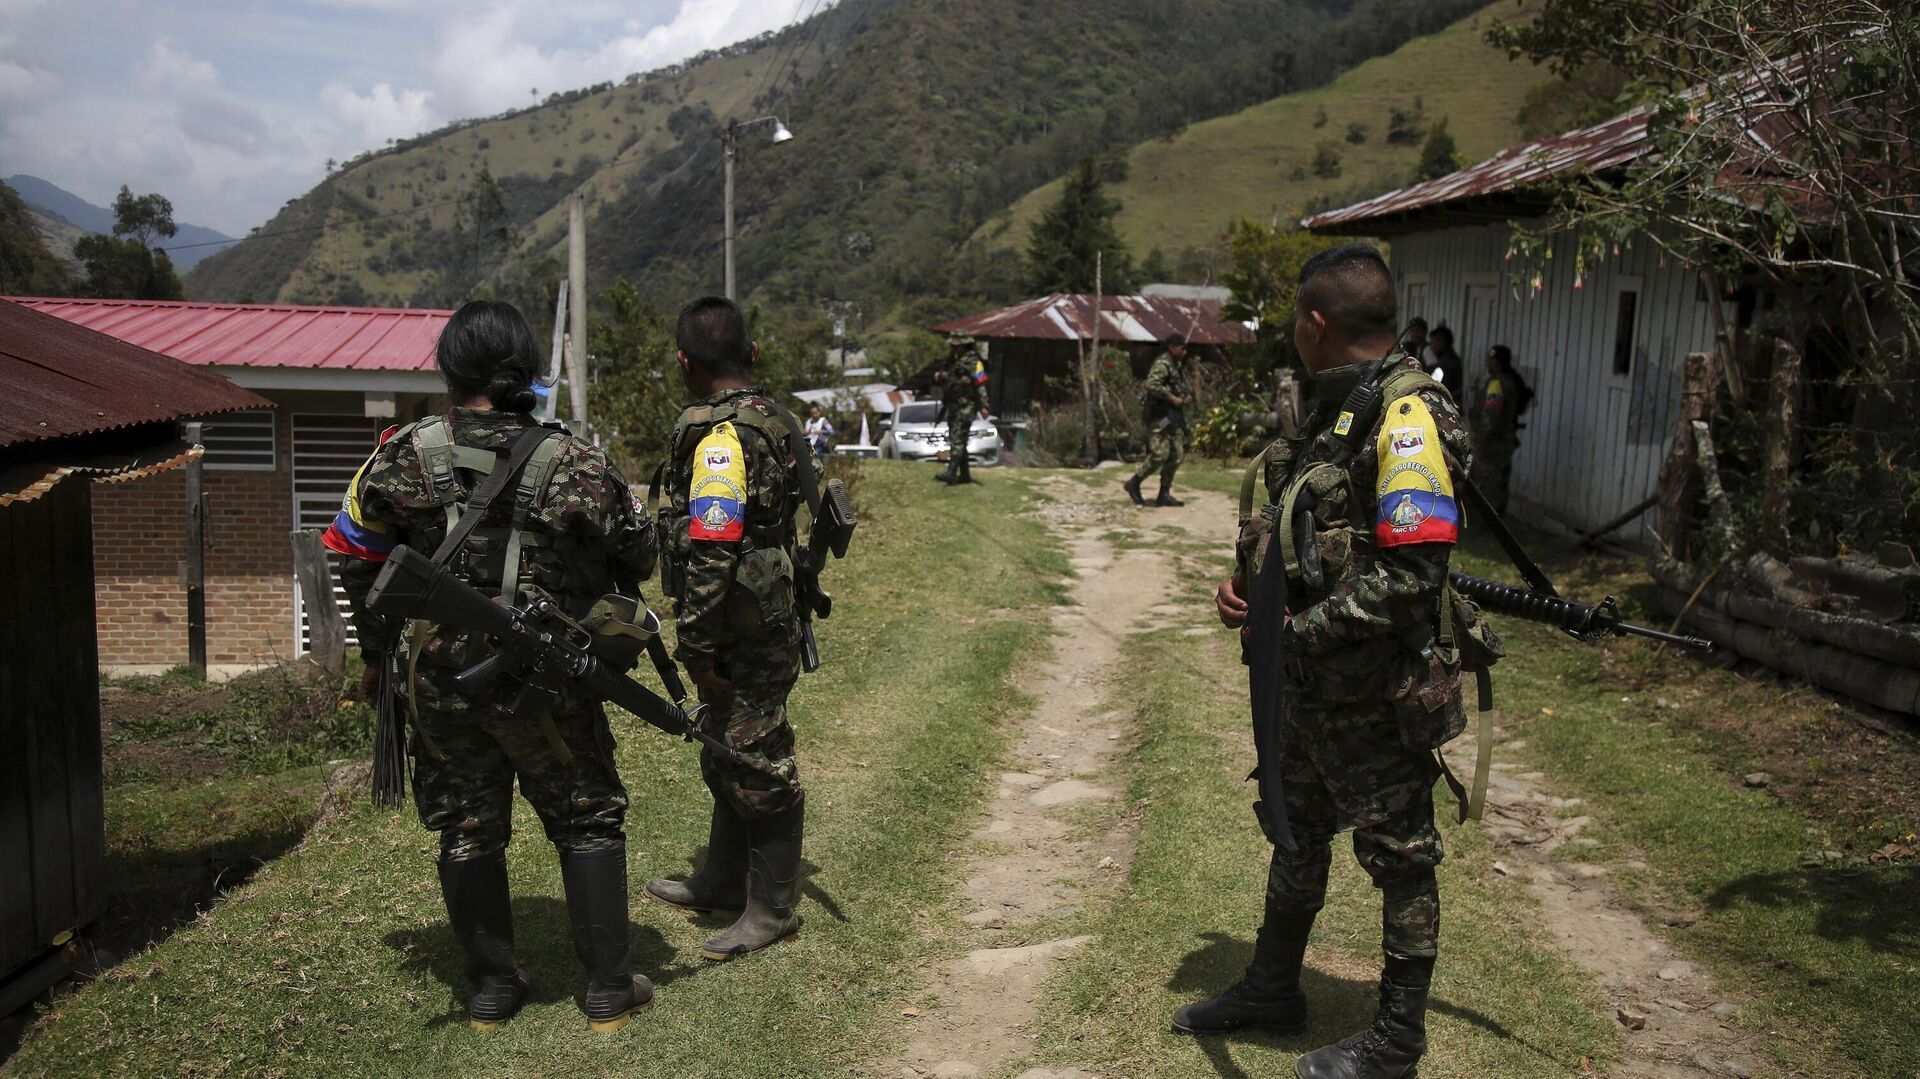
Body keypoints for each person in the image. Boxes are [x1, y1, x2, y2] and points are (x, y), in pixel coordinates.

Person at [1179, 244, 1469, 1079]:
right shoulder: (1340, 410)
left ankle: (1396, 1041)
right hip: (1312, 692)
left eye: (1292, 326)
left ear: (1316, 323)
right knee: (1295, 828)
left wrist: (1292, 634)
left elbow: (1414, 580)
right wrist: (1252, 594)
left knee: (1400, 854)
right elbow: (1311, 536)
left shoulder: (1409, 417)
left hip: (1376, 691)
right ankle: (1273, 987)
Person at [328, 299, 657, 1034]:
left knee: (469, 826)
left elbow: (354, 553)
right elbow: (640, 553)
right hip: (548, 676)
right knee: (586, 815)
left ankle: (491, 989)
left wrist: (378, 656)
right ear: (528, 372)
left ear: (449, 369)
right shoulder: (576, 458)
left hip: (440, 679)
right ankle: (607, 986)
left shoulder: (401, 452)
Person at [642, 295, 808, 961]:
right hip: (762, 613)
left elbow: (713, 548)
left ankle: (772, 910)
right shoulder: (775, 420)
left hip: (740, 627)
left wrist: (695, 643)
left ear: (685, 362)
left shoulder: (718, 439)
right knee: (726, 746)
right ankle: (720, 877)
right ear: (754, 354)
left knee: (757, 756)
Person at [1123, 333, 1195, 507]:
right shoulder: (1162, 364)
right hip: (1160, 416)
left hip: (1173, 417)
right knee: (1159, 454)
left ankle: (1164, 494)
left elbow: (1175, 386)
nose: (1184, 352)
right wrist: (1171, 398)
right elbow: (1152, 385)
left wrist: (1183, 397)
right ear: (1172, 347)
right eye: (1181, 348)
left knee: (1176, 455)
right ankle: (1134, 483)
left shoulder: (1175, 365)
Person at [1470, 345, 1527, 515]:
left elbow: (1491, 415)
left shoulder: (1496, 384)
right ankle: (1497, 517)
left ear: (1498, 362)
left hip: (1493, 444)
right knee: (1499, 482)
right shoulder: (1507, 381)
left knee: (1489, 482)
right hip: (1503, 442)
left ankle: (1489, 521)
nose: (1488, 363)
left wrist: (1482, 442)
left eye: (1491, 360)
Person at [931, 331, 990, 485]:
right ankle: (964, 475)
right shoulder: (950, 361)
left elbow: (980, 384)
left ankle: (951, 472)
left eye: (957, 345)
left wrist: (984, 405)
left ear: (964, 345)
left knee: (957, 438)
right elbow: (949, 379)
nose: (954, 348)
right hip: (953, 405)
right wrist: (940, 376)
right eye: (953, 345)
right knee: (958, 439)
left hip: (967, 405)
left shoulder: (974, 362)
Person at [1423, 324, 1464, 404]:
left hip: (1447, 407)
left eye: (1433, 343)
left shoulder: (1447, 364)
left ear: (1441, 341)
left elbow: (1435, 387)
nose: (1431, 347)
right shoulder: (1449, 359)